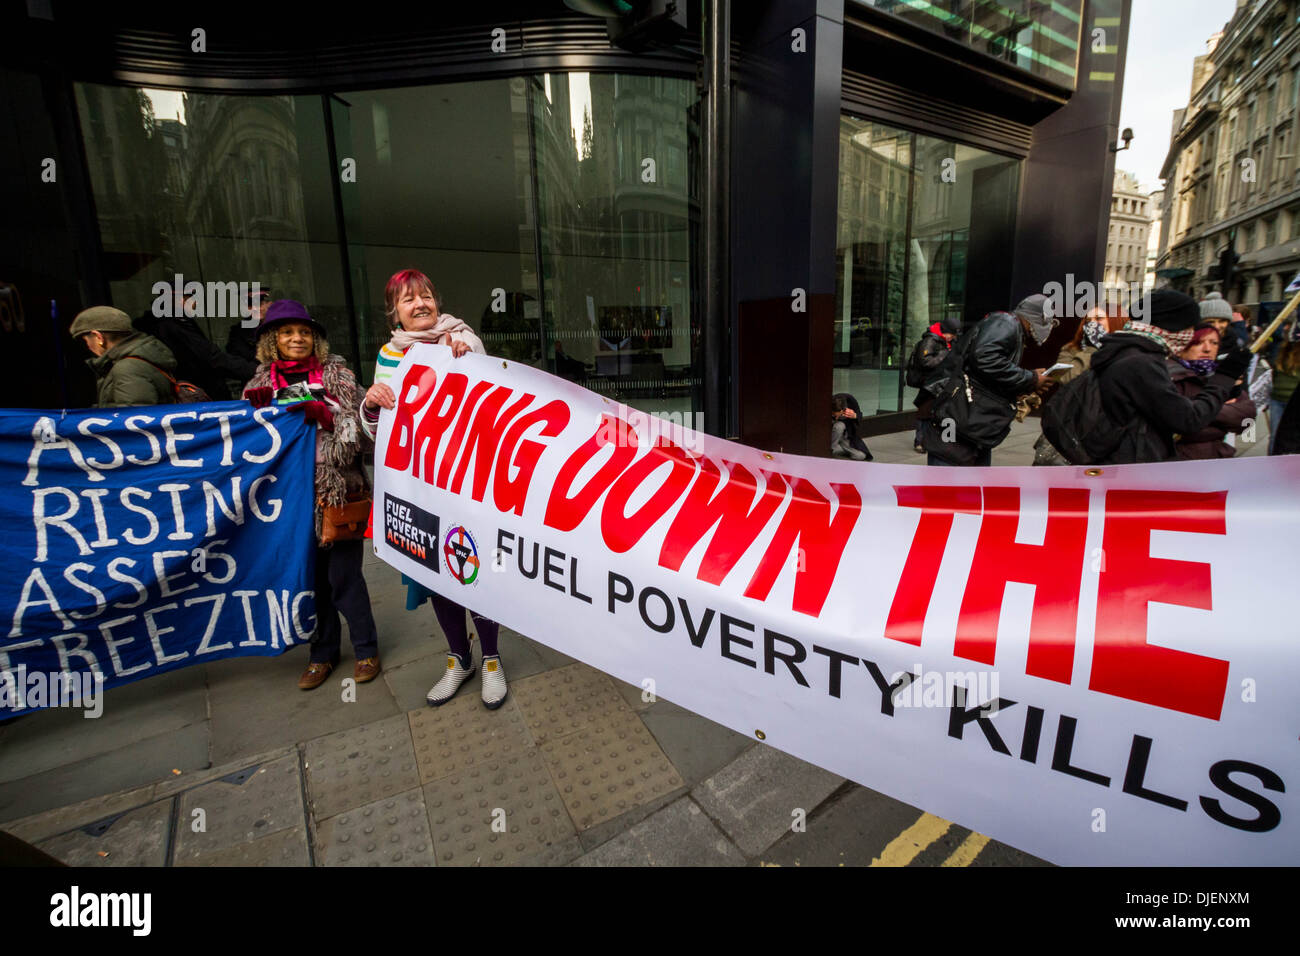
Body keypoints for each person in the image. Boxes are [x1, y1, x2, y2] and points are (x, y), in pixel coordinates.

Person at [359, 269, 508, 710]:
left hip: (467, 488)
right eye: (409, 300)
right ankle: (459, 659)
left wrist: (471, 361)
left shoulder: (463, 340)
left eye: (426, 296)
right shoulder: (388, 357)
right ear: (395, 312)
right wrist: (371, 404)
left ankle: (493, 661)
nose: (420, 304)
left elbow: (493, 404)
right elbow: (378, 434)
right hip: (422, 491)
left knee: (473, 571)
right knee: (437, 578)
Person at [242, 300, 381, 691]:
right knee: (311, 579)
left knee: (344, 577)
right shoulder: (258, 386)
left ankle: (366, 647)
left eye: (304, 332)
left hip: (338, 491)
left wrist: (326, 416)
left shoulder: (337, 374)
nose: (297, 339)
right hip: (289, 498)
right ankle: (322, 654)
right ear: (273, 340)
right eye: (287, 333)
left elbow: (361, 430)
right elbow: (250, 447)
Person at [1089, 289, 1251, 463]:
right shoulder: (1140, 363)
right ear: (1171, 325)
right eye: (1189, 327)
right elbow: (1188, 420)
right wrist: (1224, 377)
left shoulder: (1130, 352)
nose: (1190, 334)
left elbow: (1245, 418)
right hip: (1127, 465)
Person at [918, 295, 1051, 467]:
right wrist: (1030, 378)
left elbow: (986, 370)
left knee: (965, 480)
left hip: (967, 425)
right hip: (958, 419)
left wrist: (1023, 386)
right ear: (1036, 317)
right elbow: (984, 357)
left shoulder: (1009, 326)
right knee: (947, 481)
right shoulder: (1006, 322)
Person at [1032, 305, 1124, 465]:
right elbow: (1067, 379)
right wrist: (1091, 349)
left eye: (1099, 319)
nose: (1093, 324)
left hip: (1107, 427)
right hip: (1072, 426)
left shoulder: (1125, 353)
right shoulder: (1071, 350)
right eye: (1088, 320)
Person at [138, 289, 258, 400]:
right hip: (199, 395)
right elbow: (212, 358)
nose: (196, 303)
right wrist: (256, 371)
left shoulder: (176, 322)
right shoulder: (172, 326)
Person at [1167, 323, 1256, 460]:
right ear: (1181, 347)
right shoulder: (1169, 377)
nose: (1208, 349)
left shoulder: (1223, 375)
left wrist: (1200, 410)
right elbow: (1179, 422)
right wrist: (1221, 410)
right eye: (1198, 343)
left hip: (1218, 461)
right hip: (1179, 463)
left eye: (1214, 343)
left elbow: (1247, 418)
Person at [70, 306, 179, 408]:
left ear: (99, 337)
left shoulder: (128, 368)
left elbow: (134, 420)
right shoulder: (143, 356)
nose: (88, 346)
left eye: (86, 341)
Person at [906, 315, 961, 453]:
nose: (952, 337)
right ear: (944, 331)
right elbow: (925, 361)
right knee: (924, 412)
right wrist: (944, 354)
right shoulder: (930, 340)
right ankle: (920, 441)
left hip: (942, 382)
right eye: (951, 334)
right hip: (930, 383)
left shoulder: (946, 341)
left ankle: (937, 440)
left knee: (940, 412)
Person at [1268, 339, 1300, 453]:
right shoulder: (1282, 351)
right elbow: (1275, 373)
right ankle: (1274, 461)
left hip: (1291, 399)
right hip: (1277, 399)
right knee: (1275, 435)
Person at [226, 286, 270, 367]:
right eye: (251, 306)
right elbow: (235, 361)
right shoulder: (238, 332)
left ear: (267, 304)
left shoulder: (280, 324)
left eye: (260, 304)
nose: (256, 309)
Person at [830, 394, 871, 461]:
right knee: (839, 426)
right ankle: (829, 450)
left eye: (838, 415)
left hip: (845, 435)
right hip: (833, 432)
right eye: (834, 415)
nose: (836, 417)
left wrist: (855, 416)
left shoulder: (850, 401)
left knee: (860, 456)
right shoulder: (830, 402)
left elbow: (859, 417)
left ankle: (841, 444)